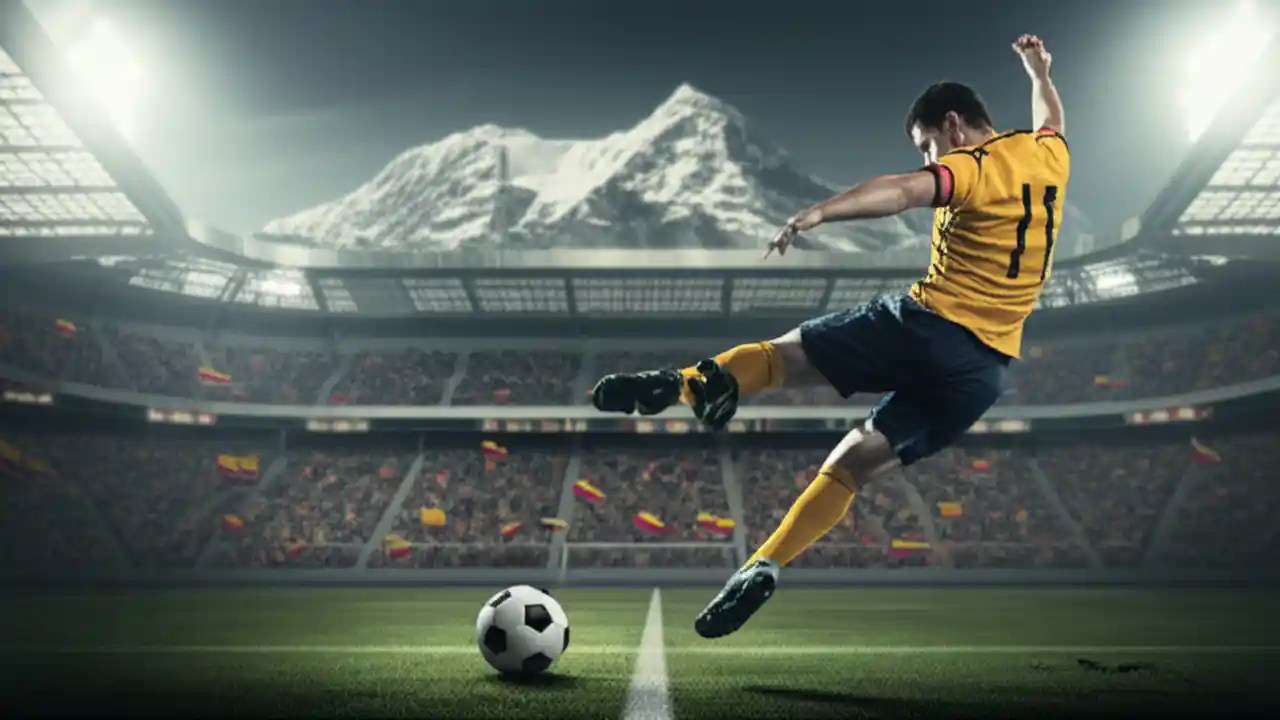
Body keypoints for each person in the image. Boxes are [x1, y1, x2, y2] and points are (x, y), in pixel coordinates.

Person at [590, 35, 1067, 638]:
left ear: (953, 126)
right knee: (850, 466)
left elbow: (898, 192)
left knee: (784, 356)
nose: (929, 160)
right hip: (985, 373)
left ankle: (683, 384)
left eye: (928, 146)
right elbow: (1050, 113)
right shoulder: (1051, 156)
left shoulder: (970, 169)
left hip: (931, 325)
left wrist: (817, 213)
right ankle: (765, 563)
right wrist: (1037, 70)